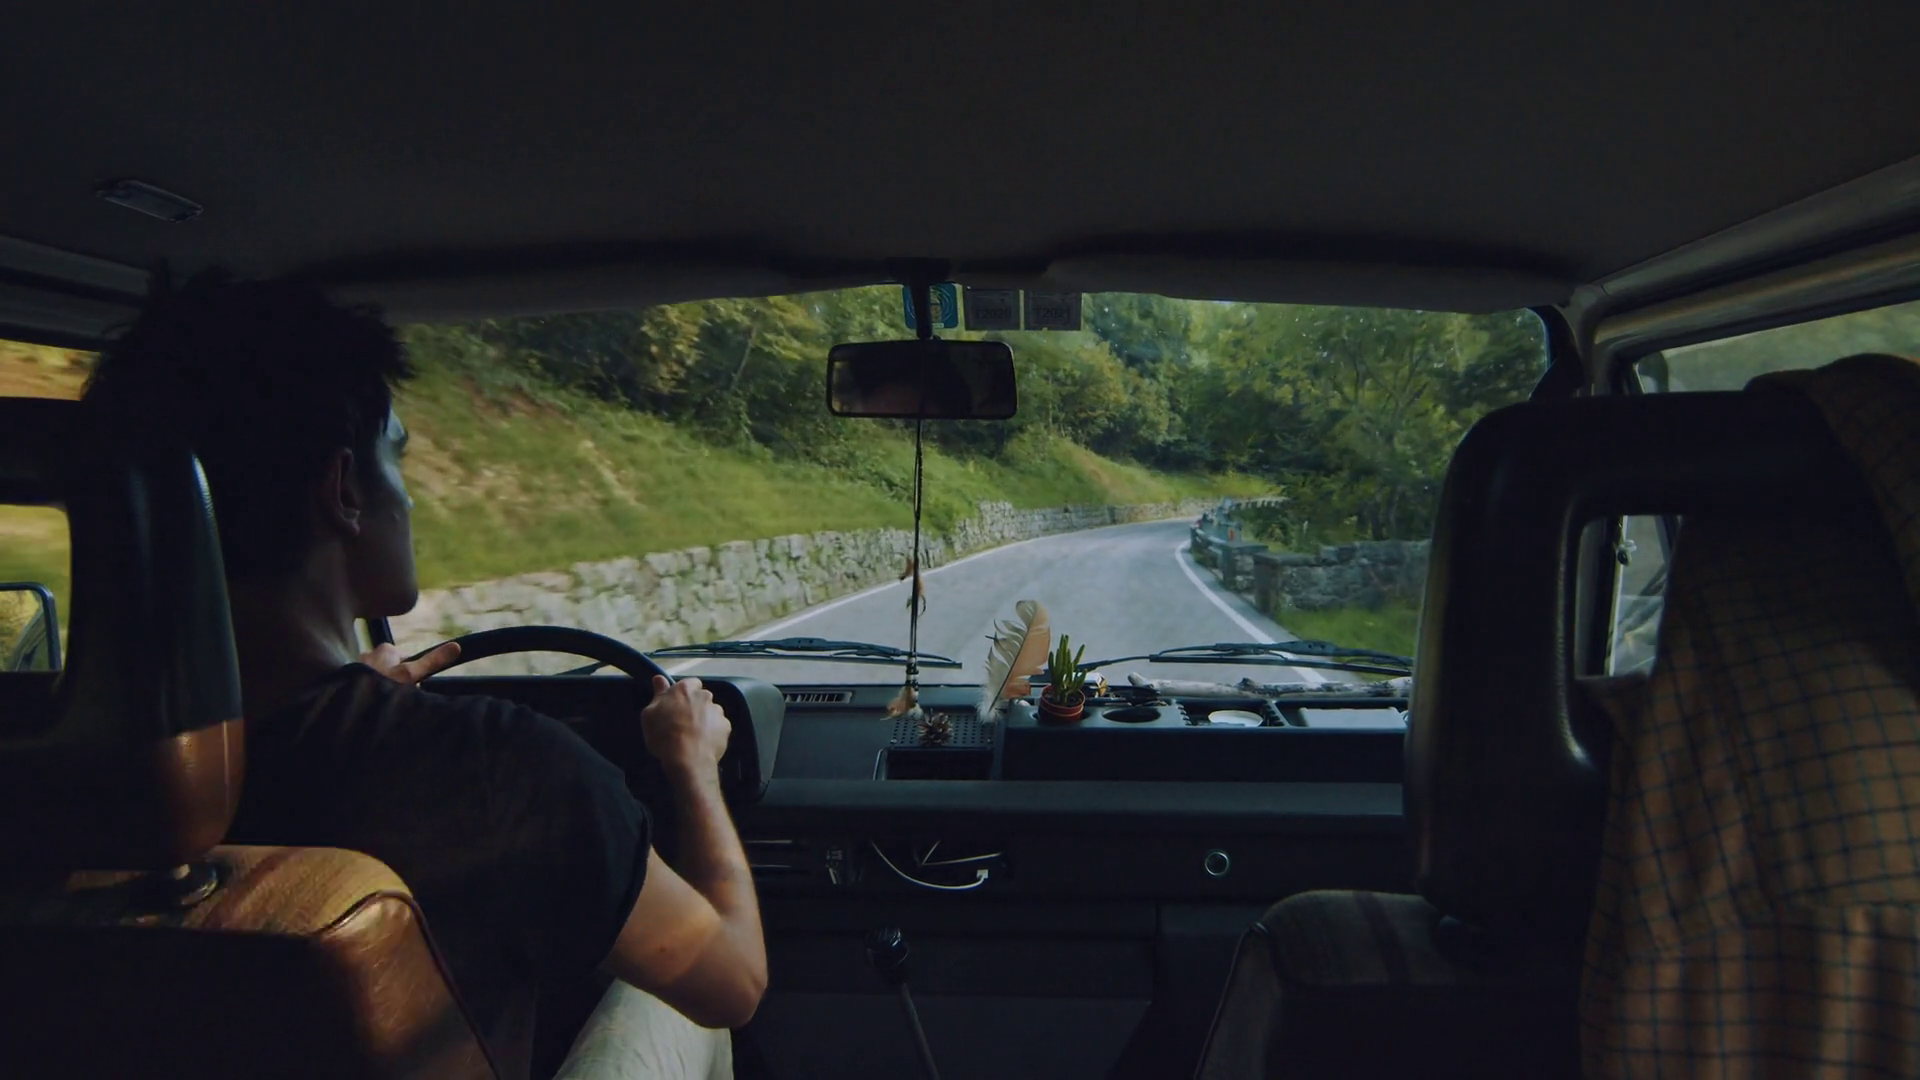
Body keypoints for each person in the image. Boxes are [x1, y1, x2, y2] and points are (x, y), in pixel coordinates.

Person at [82, 272, 764, 1080]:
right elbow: (733, 978)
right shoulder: (497, 773)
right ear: (344, 491)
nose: (409, 497)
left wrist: (353, 694)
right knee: (662, 993)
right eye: (395, 458)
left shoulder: (57, 773)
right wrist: (693, 769)